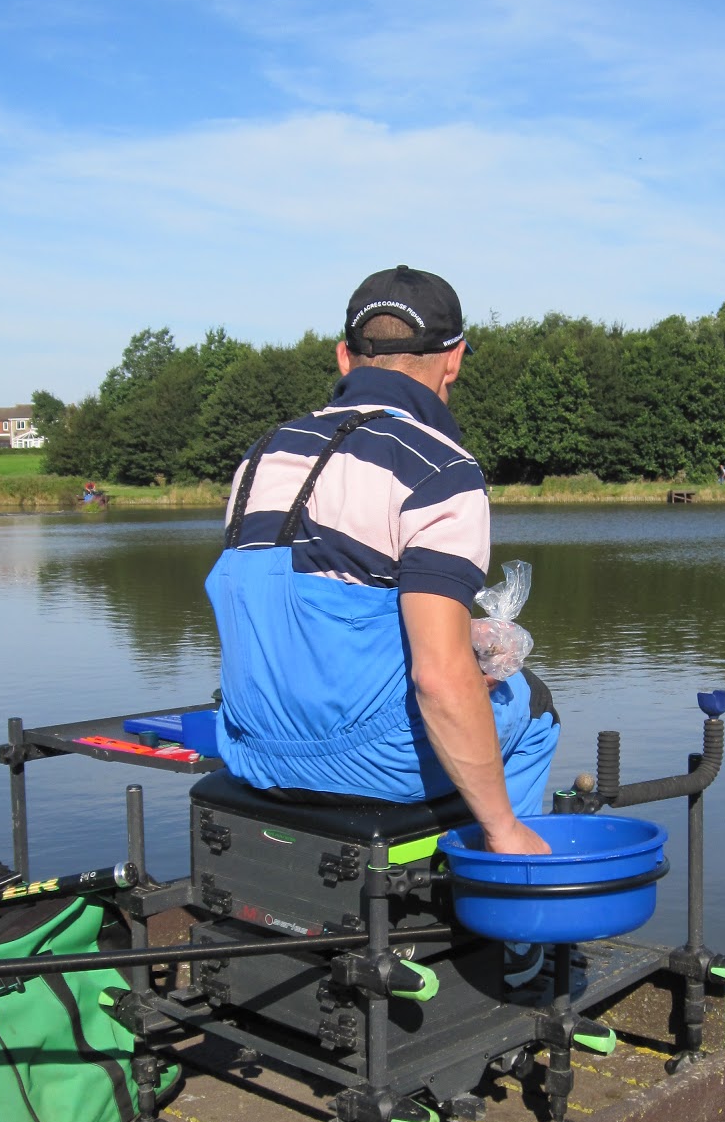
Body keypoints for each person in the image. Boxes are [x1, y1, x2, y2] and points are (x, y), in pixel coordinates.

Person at [206, 265, 558, 857]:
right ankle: (500, 877)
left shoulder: (261, 457)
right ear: (454, 360)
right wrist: (503, 826)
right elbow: (437, 678)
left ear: (345, 358)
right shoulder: (440, 469)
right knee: (533, 705)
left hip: (249, 749)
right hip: (370, 761)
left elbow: (301, 618)